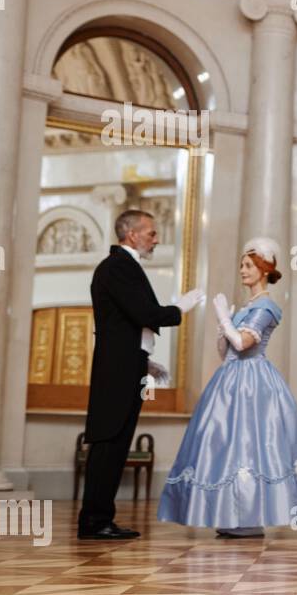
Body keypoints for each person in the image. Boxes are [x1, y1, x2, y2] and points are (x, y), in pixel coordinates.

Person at [157, 238, 297, 537]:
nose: (242, 270)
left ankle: (248, 516)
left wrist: (224, 317)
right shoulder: (247, 307)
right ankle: (229, 513)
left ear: (263, 269)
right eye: (241, 265)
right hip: (230, 379)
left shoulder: (267, 306)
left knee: (251, 445)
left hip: (254, 382)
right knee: (224, 446)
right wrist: (225, 326)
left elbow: (245, 344)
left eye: (248, 265)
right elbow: (227, 352)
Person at [79, 210, 203, 540]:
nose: (156, 239)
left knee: (116, 441)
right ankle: (94, 521)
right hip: (117, 370)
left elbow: (125, 324)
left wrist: (143, 361)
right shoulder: (119, 266)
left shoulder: (122, 266)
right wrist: (179, 309)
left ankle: (99, 518)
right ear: (132, 234)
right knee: (109, 441)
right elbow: (144, 313)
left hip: (125, 366)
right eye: (151, 233)